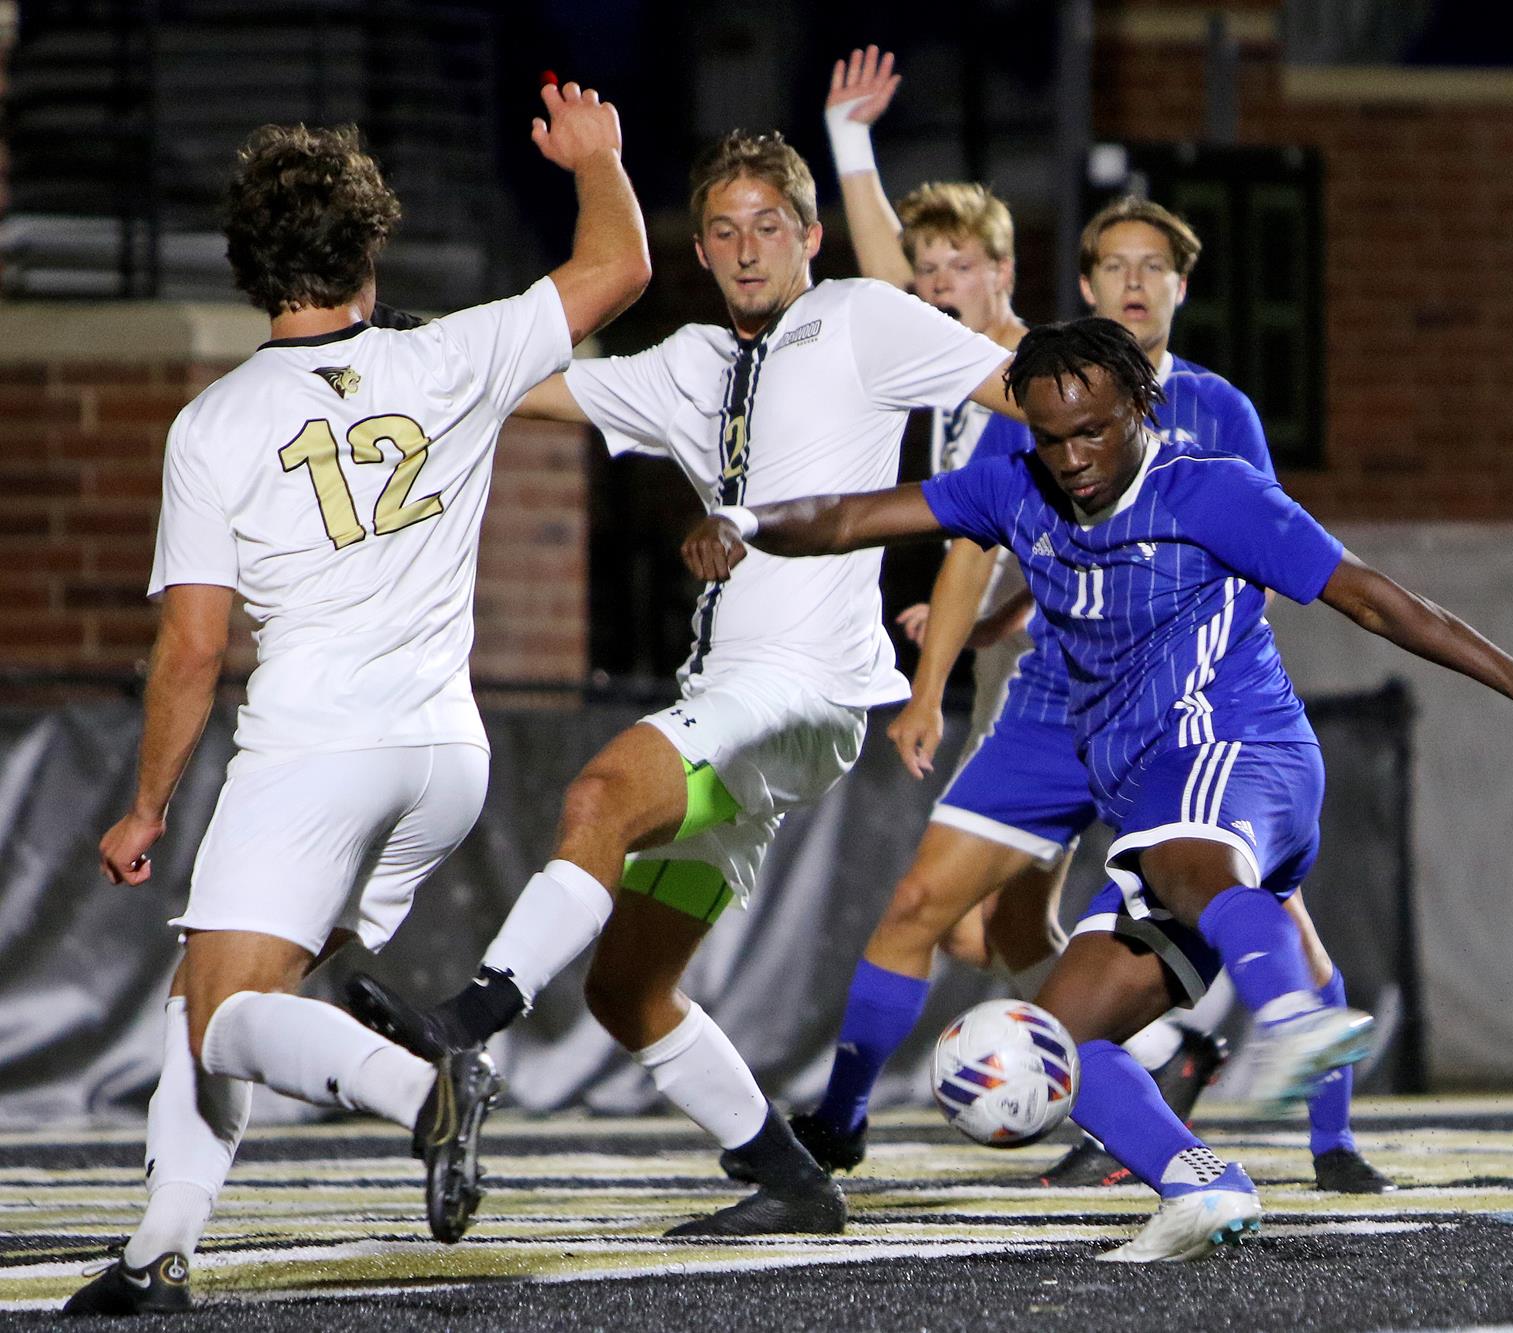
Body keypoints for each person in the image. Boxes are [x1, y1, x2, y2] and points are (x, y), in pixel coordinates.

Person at [680, 318, 1513, 1259]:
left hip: (1245, 756)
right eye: (1052, 438)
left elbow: (1375, 597)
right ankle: (1200, 1182)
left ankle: (1298, 1017)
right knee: (1061, 1047)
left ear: (1141, 403)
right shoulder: (1014, 490)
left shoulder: (1210, 491)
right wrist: (747, 520)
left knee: (1184, 857)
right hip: (1154, 800)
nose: (1073, 457)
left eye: (1093, 429)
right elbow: (852, 517)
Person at [346, 128, 1020, 1237]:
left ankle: (467, 1024)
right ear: (699, 249)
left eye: (768, 226)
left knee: (601, 795)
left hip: (802, 695)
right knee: (626, 988)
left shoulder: (861, 317)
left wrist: (1094, 450)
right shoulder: (690, 362)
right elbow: (537, 388)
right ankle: (790, 1176)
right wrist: (396, 343)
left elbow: (1016, 389)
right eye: (722, 230)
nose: (747, 248)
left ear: (810, 236)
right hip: (741, 712)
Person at [63, 83, 650, 1316]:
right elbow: (618, 266)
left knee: (228, 1017)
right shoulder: (450, 353)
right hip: (446, 756)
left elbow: (191, 649)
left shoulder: (216, 422)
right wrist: (595, 157)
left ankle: (420, 1087)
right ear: (369, 254)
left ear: (245, 265)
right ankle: (152, 1257)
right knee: (216, 1002)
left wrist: (146, 806)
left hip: (317, 752)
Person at [796, 44, 1390, 1196]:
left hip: (1179, 706)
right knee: (957, 916)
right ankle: (863, 1118)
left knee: (1251, 901)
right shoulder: (1005, 379)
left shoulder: (1144, 397)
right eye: (928, 269)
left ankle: (1320, 1128)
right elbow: (984, 525)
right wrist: (958, 657)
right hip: (1051, 700)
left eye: (958, 264)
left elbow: (1262, 552)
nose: (935, 282)